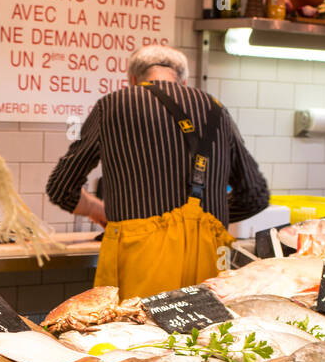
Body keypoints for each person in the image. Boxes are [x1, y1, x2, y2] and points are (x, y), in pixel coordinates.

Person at [46, 44, 269, 298]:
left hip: (140, 257)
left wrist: (99, 210)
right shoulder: (216, 109)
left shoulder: (113, 105)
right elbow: (255, 196)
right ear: (182, 81)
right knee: (209, 335)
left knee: (142, 334)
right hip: (212, 261)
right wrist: (209, 217)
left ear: (132, 79)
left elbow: (61, 188)